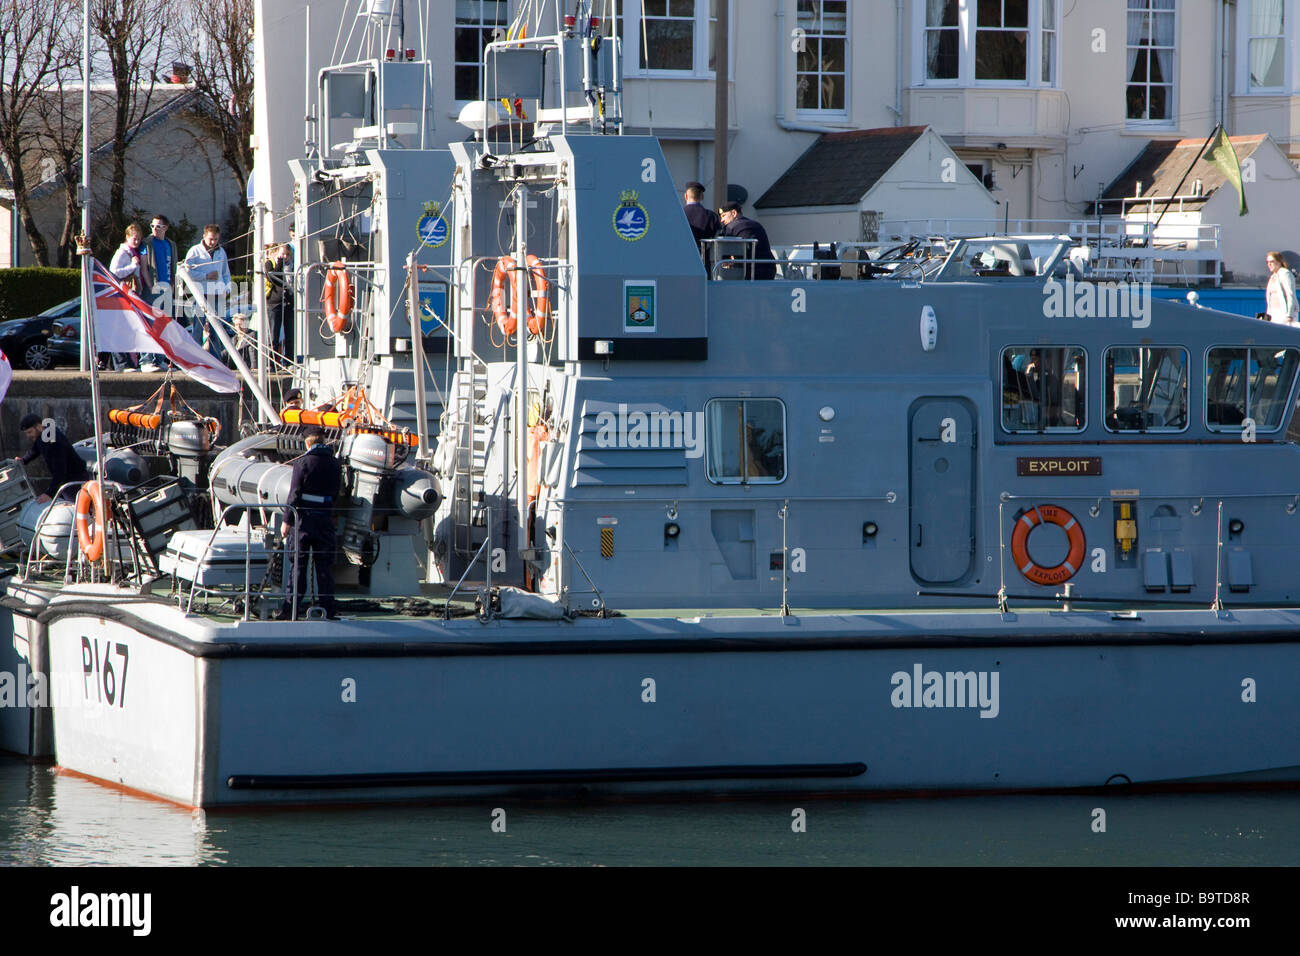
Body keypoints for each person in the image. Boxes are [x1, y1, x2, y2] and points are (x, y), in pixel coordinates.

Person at [278, 427, 342, 619]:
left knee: (298, 566)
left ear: (307, 443)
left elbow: (294, 494)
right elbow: (336, 493)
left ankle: (291, 610)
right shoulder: (335, 464)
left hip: (303, 521)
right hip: (325, 520)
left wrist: (286, 521)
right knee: (324, 567)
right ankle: (328, 609)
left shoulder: (302, 463)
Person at [14, 413, 90, 503]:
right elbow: (36, 449)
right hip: (65, 480)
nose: (28, 436)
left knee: (77, 508)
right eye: (26, 433)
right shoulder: (43, 434)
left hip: (74, 479)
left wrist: (49, 494)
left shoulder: (53, 442)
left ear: (38, 426)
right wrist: (24, 459)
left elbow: (60, 471)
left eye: (30, 432)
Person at [108, 224, 151, 371]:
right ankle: (122, 364)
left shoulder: (133, 252)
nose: (137, 241)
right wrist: (132, 267)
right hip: (121, 296)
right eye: (134, 238)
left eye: (139, 239)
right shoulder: (123, 253)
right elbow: (113, 272)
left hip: (130, 296)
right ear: (127, 237)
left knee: (128, 329)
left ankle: (129, 362)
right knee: (120, 329)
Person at [184, 224, 232, 350]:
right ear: (204, 236)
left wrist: (227, 289)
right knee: (198, 328)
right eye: (211, 239)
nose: (213, 242)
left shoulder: (221, 252)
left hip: (217, 295)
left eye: (216, 239)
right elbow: (186, 272)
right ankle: (195, 357)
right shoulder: (194, 251)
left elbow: (226, 273)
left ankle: (216, 358)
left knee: (217, 329)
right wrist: (206, 276)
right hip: (201, 294)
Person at [719, 200, 777, 280]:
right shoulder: (756, 224)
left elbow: (725, 254)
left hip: (747, 272)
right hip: (769, 269)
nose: (721, 220)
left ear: (734, 213)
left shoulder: (731, 227)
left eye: (723, 215)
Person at [264, 243, 294, 362]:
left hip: (288, 302)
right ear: (277, 253)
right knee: (273, 334)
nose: (285, 257)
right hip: (274, 302)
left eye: (287, 255)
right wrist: (280, 263)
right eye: (282, 254)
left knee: (290, 333)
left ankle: (289, 360)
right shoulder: (270, 263)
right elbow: (273, 278)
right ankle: (272, 362)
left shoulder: (291, 266)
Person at [682, 181, 720, 259]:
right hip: (703, 260)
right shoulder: (711, 216)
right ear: (702, 197)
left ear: (685, 196)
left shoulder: (678, 214)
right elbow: (718, 236)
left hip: (681, 257)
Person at [1265, 251, 1298, 326]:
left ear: (1279, 262)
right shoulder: (1273, 277)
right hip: (1273, 313)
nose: (1269, 264)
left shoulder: (1285, 274)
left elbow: (1290, 295)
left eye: (1272, 261)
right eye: (1267, 262)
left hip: (1283, 312)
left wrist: (1289, 314)